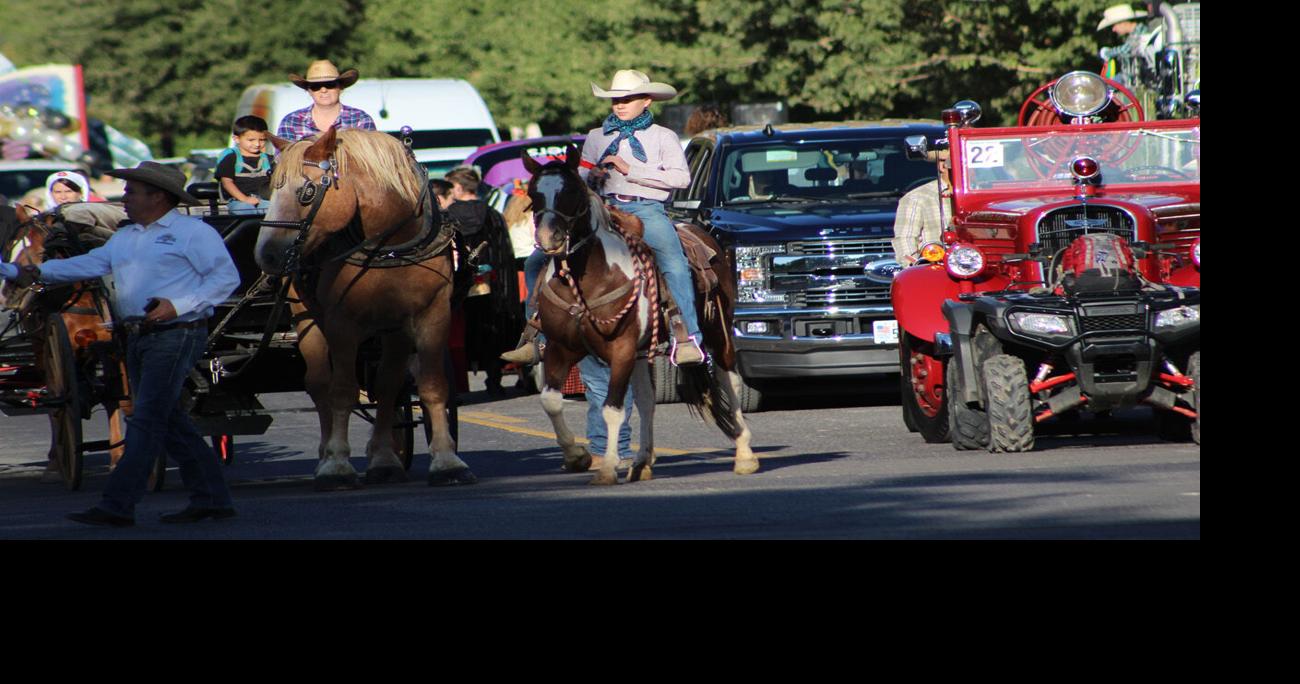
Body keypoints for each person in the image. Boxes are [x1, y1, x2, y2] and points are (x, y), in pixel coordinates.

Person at [1, 161, 241, 527]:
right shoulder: (127, 236)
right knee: (168, 419)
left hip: (177, 334)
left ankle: (118, 504)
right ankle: (212, 498)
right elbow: (91, 264)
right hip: (137, 335)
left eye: (131, 192)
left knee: (144, 420)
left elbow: (226, 279)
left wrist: (178, 305)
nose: (123, 198)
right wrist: (23, 271)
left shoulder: (193, 232)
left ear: (157, 196)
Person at [503, 68, 702, 367]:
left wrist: (629, 170)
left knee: (673, 261)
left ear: (647, 100)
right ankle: (537, 338)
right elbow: (580, 176)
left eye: (628, 99)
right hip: (601, 207)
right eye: (615, 100)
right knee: (535, 261)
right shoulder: (596, 137)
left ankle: (687, 337)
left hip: (645, 209)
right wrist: (588, 177)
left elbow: (681, 179)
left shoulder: (663, 136)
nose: (620, 105)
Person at [443, 166, 522, 398]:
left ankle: (455, 382)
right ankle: (494, 380)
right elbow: (504, 255)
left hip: (457, 286)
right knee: (491, 333)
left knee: (459, 333)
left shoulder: (449, 216)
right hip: (491, 286)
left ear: (457, 187)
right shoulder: (493, 215)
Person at [276, 60, 376, 142]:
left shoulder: (360, 119)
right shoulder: (291, 122)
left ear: (341, 87)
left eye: (330, 84)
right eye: (316, 86)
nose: (323, 90)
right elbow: (284, 160)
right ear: (309, 90)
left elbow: (370, 159)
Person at [891, 150, 952, 267]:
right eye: (957, 163)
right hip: (937, 272)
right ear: (942, 166)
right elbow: (905, 239)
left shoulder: (985, 195)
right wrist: (918, 267)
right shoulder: (917, 198)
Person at [214, 116, 274, 215]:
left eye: (262, 140)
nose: (257, 144)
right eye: (251, 140)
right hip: (238, 201)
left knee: (271, 210)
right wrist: (245, 199)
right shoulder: (231, 158)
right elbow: (227, 182)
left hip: (263, 200)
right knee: (245, 211)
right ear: (236, 139)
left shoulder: (269, 159)